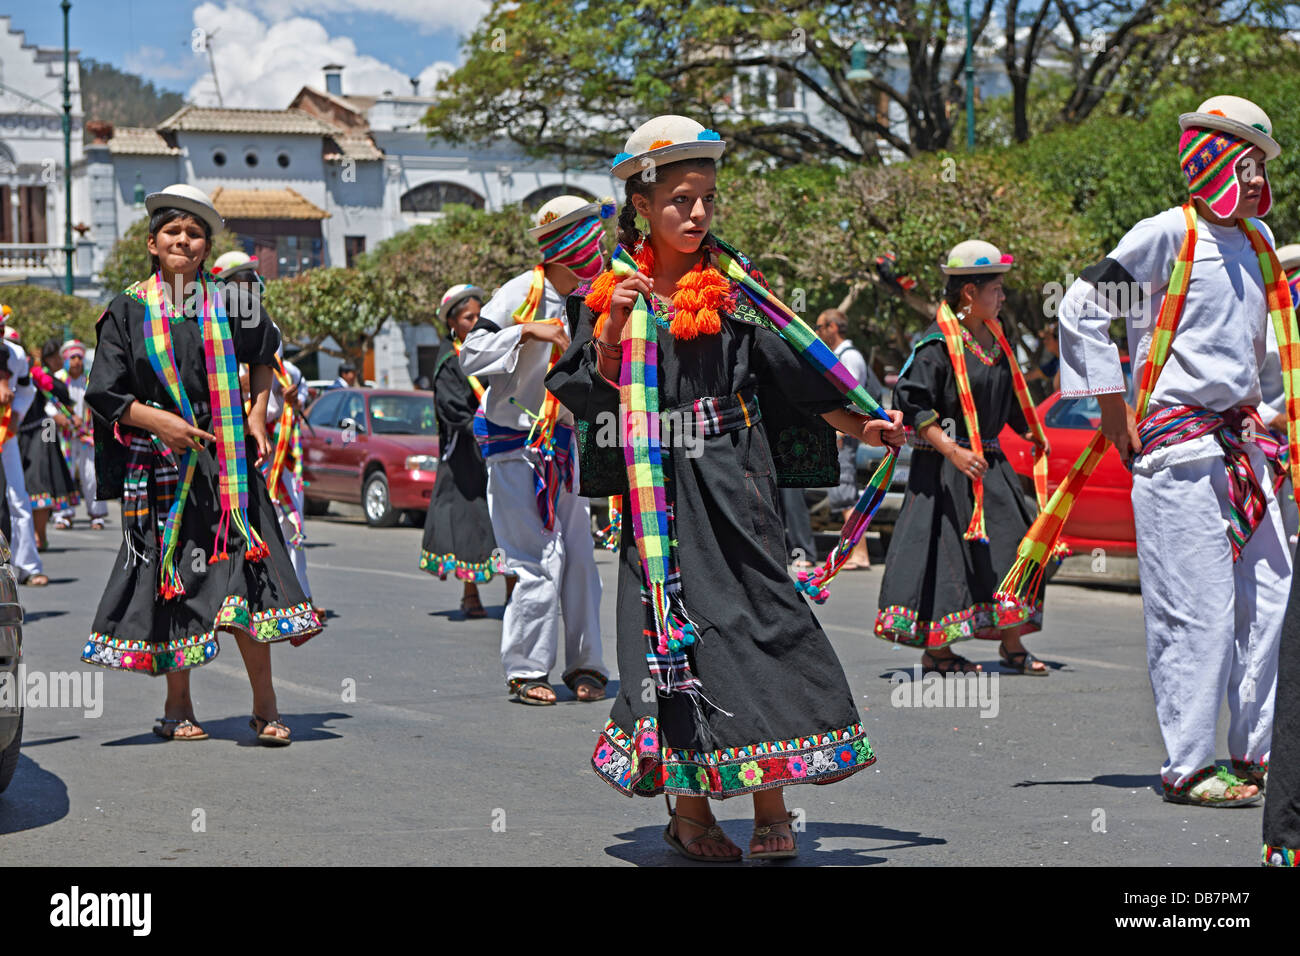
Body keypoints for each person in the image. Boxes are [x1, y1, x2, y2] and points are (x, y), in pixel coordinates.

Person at [547, 114, 904, 861]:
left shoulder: (739, 291)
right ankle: (691, 813)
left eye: (707, 196)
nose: (698, 212)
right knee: (672, 640)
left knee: (765, 624)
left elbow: (794, 385)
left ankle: (772, 801)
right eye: (680, 198)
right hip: (660, 496)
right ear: (641, 205)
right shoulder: (612, 295)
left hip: (738, 481)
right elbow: (591, 393)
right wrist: (612, 324)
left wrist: (864, 426)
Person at [1056, 96, 1294, 807]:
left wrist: (1275, 424)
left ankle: (1258, 753)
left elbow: (1270, 353)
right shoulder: (1166, 235)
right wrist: (1112, 409)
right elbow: (1082, 310)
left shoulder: (1258, 241)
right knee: (1197, 611)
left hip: (1246, 452)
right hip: (1179, 452)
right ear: (1215, 159)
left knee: (1273, 600)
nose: (1257, 182)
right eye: (1248, 164)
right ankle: (1189, 765)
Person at [82, 184, 324, 745]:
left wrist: (258, 415)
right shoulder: (128, 309)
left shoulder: (230, 300)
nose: (183, 241)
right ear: (152, 242)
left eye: (194, 234)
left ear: (205, 249)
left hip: (229, 470)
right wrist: (159, 421)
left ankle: (266, 707)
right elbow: (106, 393)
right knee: (175, 581)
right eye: (173, 232)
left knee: (247, 577)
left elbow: (265, 354)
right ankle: (178, 706)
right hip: (163, 466)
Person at [459, 195, 610, 706]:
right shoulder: (523, 291)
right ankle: (526, 671)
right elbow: (470, 354)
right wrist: (527, 330)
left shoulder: (598, 296)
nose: (603, 246)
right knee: (536, 559)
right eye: (593, 237)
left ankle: (587, 665)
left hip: (566, 448)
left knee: (581, 559)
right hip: (516, 446)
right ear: (570, 247)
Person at [875, 240, 1049, 676]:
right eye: (997, 288)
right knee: (946, 557)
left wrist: (1029, 430)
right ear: (969, 292)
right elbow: (913, 405)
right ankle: (939, 652)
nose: (1004, 297)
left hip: (989, 465)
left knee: (1014, 548)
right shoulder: (935, 347)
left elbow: (1005, 397)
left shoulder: (996, 339)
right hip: (944, 471)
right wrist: (952, 448)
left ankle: (1012, 645)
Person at [212, 250, 318, 611]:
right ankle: (242, 598)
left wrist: (290, 398)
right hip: (229, 443)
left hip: (276, 449)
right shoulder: (208, 321)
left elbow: (284, 385)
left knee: (291, 523)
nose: (252, 285)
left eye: (252, 278)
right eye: (242, 278)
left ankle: (297, 595)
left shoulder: (267, 331)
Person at [419, 283, 515, 617]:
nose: (475, 322)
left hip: (501, 446)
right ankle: (470, 592)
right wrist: (480, 426)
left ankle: (512, 591)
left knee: (506, 522)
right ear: (453, 323)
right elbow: (451, 409)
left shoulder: (490, 349)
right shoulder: (449, 361)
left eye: (478, 315)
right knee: (469, 524)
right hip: (467, 456)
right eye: (467, 317)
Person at [816, 308, 884, 570]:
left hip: (845, 436)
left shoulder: (850, 357)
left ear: (833, 327)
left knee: (846, 493)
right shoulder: (841, 356)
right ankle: (856, 553)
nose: (819, 333)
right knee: (843, 493)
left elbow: (851, 399)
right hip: (842, 434)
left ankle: (860, 554)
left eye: (821, 328)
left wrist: (841, 430)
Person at [21, 338, 81, 549]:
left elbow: (59, 398)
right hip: (15, 437)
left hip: (41, 434)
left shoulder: (41, 377)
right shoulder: (15, 373)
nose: (59, 360)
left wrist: (68, 415)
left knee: (39, 482)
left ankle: (40, 536)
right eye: (56, 357)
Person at [0, 314, 46, 585]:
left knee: (17, 495)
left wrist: (16, 415)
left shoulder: (15, 354)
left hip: (7, 433)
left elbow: (26, 391)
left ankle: (27, 565)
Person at [53, 339, 107, 531]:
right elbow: (48, 403)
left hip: (87, 436)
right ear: (65, 359)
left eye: (79, 357)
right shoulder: (56, 378)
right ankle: (63, 515)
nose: (76, 361)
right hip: (64, 436)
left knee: (91, 475)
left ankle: (97, 515)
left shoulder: (90, 379)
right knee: (64, 475)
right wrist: (56, 416)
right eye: (72, 357)